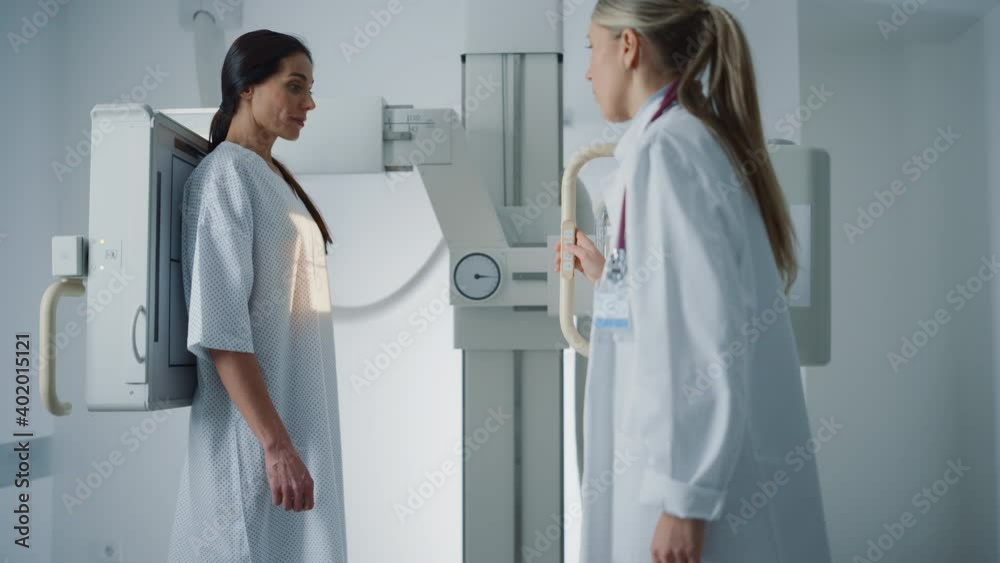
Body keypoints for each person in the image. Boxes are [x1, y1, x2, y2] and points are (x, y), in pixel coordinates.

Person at [555, 1, 832, 562]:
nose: (587, 70)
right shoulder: (682, 140)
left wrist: (686, 501)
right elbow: (680, 306)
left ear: (628, 47)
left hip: (697, 494)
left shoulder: (667, 150)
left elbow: (705, 338)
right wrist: (610, 277)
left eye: (592, 48)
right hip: (689, 477)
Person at [168, 30, 347, 562]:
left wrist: (290, 442)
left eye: (310, 89)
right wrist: (275, 445)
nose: (308, 103)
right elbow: (220, 330)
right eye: (294, 87)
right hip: (253, 444)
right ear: (247, 87)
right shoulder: (225, 176)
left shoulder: (271, 177)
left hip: (298, 418)